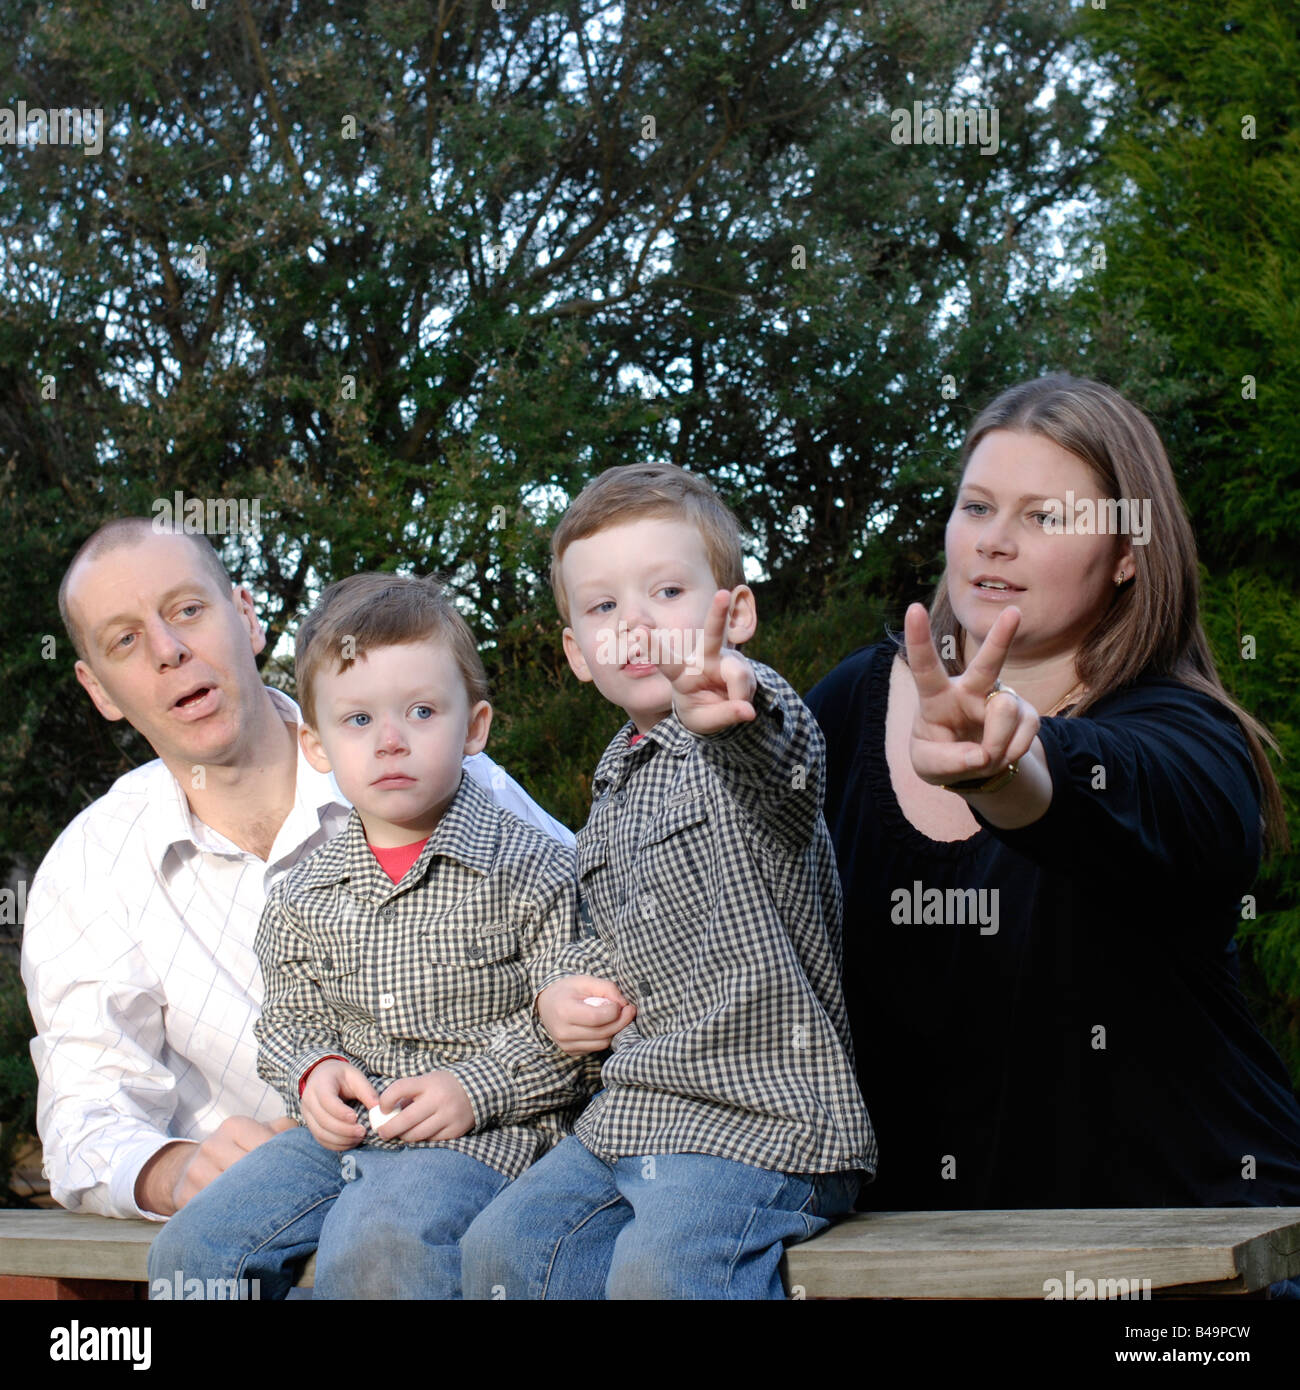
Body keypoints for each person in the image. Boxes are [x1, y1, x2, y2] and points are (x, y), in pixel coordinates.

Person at [804, 374, 1300, 1224]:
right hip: (905, 1254)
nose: (995, 542)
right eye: (978, 507)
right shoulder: (849, 704)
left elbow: (1107, 789)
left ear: (1127, 554)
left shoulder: (1187, 736)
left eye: (1045, 517)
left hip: (1188, 1251)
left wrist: (998, 770)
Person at [22, 520, 574, 1222]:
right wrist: (175, 1169)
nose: (169, 650)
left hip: (477, 1201)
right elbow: (85, 1113)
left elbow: (597, 949)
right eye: (125, 640)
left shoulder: (435, 773)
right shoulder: (87, 869)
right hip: (267, 1239)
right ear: (98, 689)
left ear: (247, 618)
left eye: (187, 610)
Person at [460, 463, 874, 1301]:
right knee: (502, 1246)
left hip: (764, 1124)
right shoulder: (610, 788)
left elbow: (781, 770)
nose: (637, 624)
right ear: (578, 653)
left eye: (668, 591)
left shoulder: (746, 726)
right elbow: (602, 944)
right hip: (631, 1115)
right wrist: (565, 992)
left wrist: (738, 704)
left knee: (661, 1275)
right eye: (605, 607)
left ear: (737, 611)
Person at [146, 573, 591, 1298]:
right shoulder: (304, 894)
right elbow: (290, 1017)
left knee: (379, 1245)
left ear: (473, 727)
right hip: (344, 1136)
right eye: (358, 721)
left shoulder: (533, 868)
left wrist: (473, 1087)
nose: (389, 741)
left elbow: (579, 1034)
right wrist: (313, 1070)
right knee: (194, 1249)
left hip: (484, 1134)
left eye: (420, 711)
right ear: (316, 746)